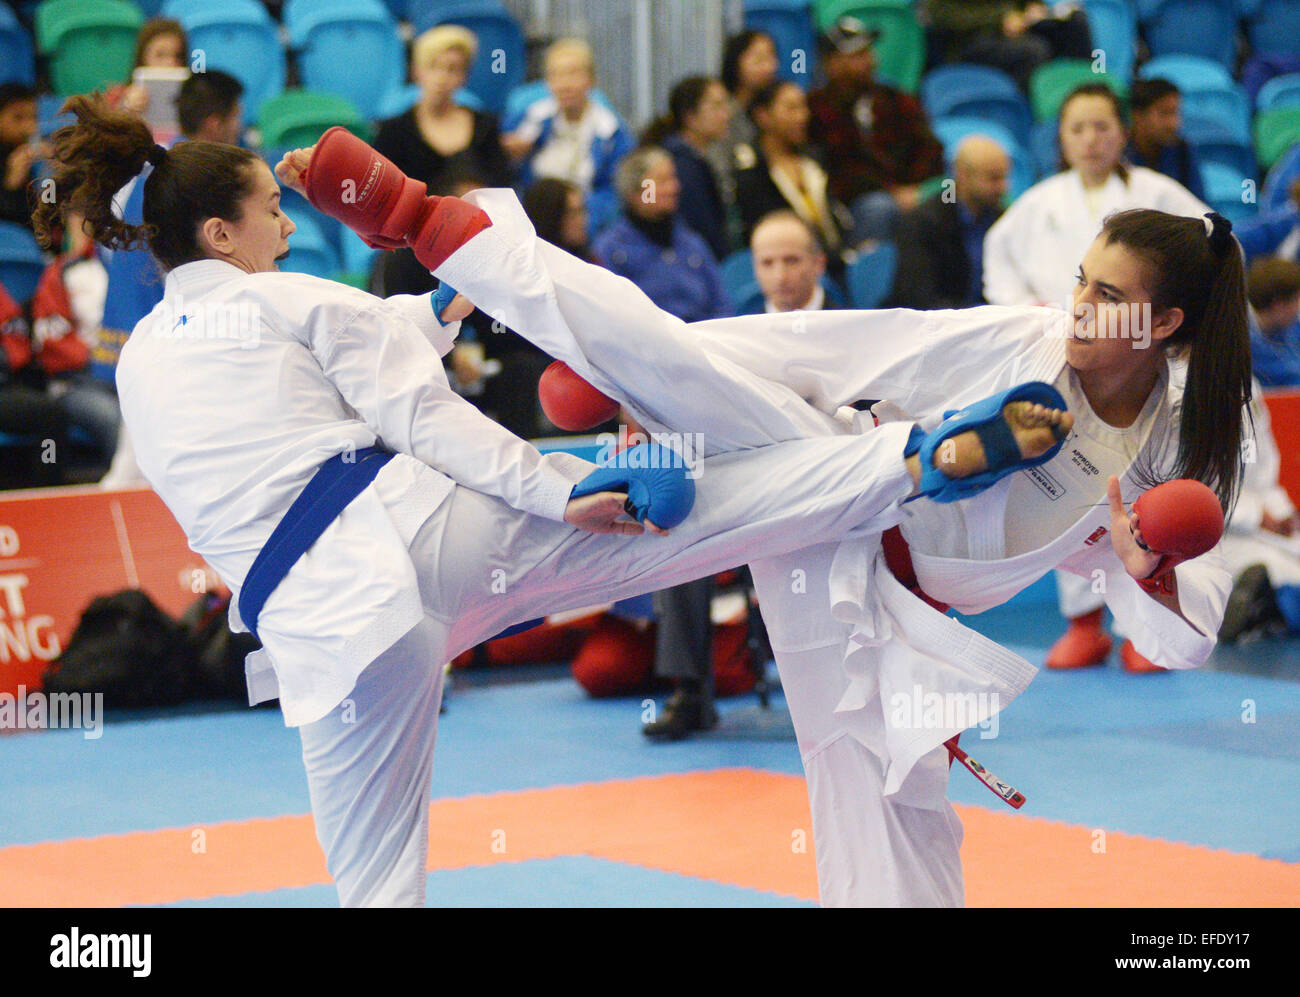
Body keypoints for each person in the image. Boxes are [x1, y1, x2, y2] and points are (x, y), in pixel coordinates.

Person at [36, 97, 1065, 907]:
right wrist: (561, 487)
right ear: (220, 230)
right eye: (270, 212)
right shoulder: (290, 298)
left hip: (322, 635)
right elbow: (422, 416)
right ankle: (912, 457)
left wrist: (449, 277)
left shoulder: (145, 363)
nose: (286, 230)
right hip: (416, 535)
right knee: (712, 503)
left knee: (374, 885)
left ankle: (907, 459)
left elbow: (395, 340)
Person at [316, 132, 1248, 905]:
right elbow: (836, 346)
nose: (1081, 306)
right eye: (1082, 281)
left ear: (1163, 326)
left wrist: (1143, 571)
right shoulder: (1024, 340)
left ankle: (656, 373)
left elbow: (1185, 645)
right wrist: (641, 375)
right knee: (700, 376)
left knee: (896, 828)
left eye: (1108, 297)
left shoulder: (1175, 456)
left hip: (884, 616)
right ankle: (435, 224)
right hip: (841, 475)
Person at [97, 69, 246, 489]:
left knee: (147, 455)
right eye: (236, 117)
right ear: (216, 123)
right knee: (137, 463)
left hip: (147, 322)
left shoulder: (160, 168)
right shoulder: (192, 179)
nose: (242, 128)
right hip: (164, 325)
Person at [984, 83, 1208, 308]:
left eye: (1101, 127)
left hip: (1136, 331)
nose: (1090, 139)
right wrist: (1025, 306)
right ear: (1061, 137)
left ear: (1123, 133)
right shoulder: (1036, 201)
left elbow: (1212, 237)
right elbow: (999, 257)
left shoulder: (1158, 192)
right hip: (1052, 330)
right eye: (1077, 129)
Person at [807, 17, 945, 243]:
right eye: (857, 55)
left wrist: (914, 189)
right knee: (880, 207)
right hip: (850, 207)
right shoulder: (816, 110)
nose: (869, 61)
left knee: (948, 196)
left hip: (909, 192)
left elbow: (930, 150)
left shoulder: (897, 100)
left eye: (868, 52)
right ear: (832, 63)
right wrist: (892, 192)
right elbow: (836, 172)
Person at [502, 37, 635, 235]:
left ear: (591, 80)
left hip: (585, 229)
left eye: (573, 74)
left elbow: (616, 195)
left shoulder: (612, 132)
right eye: (555, 75)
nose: (564, 85)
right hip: (530, 225)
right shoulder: (527, 120)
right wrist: (510, 157)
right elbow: (505, 179)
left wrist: (577, 222)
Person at [592, 146, 730, 323]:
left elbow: (721, 302)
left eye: (673, 178)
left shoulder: (691, 242)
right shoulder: (611, 250)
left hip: (702, 338)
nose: (674, 188)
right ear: (635, 192)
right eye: (662, 181)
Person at [374, 26, 511, 197]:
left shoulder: (485, 125)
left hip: (478, 219)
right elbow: (384, 193)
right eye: (433, 66)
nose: (442, 77)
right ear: (416, 71)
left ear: (464, 76)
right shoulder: (393, 131)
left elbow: (502, 185)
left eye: (452, 69)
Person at [734, 80, 853, 272]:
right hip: (789, 266)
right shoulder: (751, 169)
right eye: (791, 108)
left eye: (803, 107)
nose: (802, 116)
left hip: (834, 257)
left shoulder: (813, 159)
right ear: (763, 116)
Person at [888, 134, 1010, 309]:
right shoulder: (923, 223)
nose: (1003, 187)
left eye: (1004, 177)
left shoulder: (1003, 219)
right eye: (993, 178)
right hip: (939, 324)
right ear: (963, 176)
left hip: (990, 322)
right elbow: (918, 297)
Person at [643, 76, 733, 261]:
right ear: (690, 117)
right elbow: (704, 233)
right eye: (716, 107)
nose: (726, 115)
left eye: (725, 105)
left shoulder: (696, 159)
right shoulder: (681, 167)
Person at [1125, 78, 1205, 202]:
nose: (1174, 124)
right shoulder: (1118, 155)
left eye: (1176, 113)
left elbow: (1198, 205)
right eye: (1165, 113)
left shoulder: (1182, 151)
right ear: (1138, 115)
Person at [750, 210, 833, 314]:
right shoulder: (743, 329)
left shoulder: (851, 328)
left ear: (818, 263)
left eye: (791, 261)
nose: (780, 277)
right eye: (767, 263)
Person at [1247, 257, 1300, 388]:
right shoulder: (1243, 341)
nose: (1298, 308)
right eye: (1296, 300)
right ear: (1278, 304)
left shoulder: (1289, 327)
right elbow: (1290, 376)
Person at [0, 82, 40, 231]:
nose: (29, 127)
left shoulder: (31, 158)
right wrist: (12, 183)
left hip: (34, 247)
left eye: (33, 117)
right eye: (18, 118)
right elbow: (8, 219)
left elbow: (49, 213)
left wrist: (51, 177)